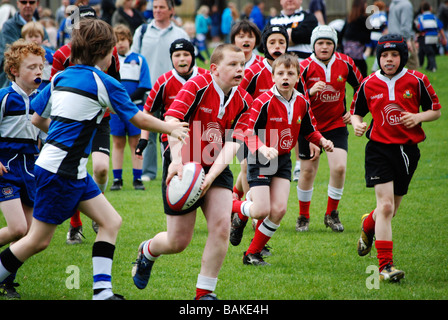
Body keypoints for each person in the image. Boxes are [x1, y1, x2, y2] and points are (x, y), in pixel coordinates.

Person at [0, 19, 189, 300]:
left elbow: (38, 118)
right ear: (105, 52)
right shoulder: (104, 81)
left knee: (110, 221)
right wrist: (171, 127)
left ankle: (102, 292)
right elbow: (137, 117)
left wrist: (64, 136)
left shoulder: (61, 77)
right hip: (60, 171)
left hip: (68, 169)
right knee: (37, 240)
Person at [131, 44, 252, 300]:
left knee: (221, 228)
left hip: (215, 164)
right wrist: (175, 159)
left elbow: (233, 143)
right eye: (233, 64)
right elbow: (172, 123)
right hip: (183, 162)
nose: (240, 69)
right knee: (178, 242)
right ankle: (148, 251)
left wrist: (210, 177)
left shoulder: (244, 100)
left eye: (242, 64)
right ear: (215, 69)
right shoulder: (196, 86)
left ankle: (204, 293)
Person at [350, 34, 441, 282]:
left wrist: (418, 118)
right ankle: (385, 267)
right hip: (378, 149)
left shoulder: (417, 80)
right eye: (384, 55)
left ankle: (369, 224)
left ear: (402, 56)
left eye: (394, 55)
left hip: (409, 151)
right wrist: (357, 125)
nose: (389, 59)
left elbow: (435, 111)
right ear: (378, 57)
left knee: (390, 210)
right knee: (386, 206)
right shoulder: (369, 83)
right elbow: (355, 113)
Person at [236, 53, 334, 266]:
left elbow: (309, 130)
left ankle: (252, 254)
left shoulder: (301, 101)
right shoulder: (263, 101)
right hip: (260, 157)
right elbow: (248, 133)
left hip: (283, 160)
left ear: (298, 77)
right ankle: (237, 210)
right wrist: (263, 148)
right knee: (261, 210)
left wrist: (322, 141)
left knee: (279, 210)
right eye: (280, 73)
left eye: (290, 73)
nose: (285, 77)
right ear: (273, 77)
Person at [50, 6, 121, 244]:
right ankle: (75, 225)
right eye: (83, 26)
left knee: (101, 168)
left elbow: (115, 82)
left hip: (100, 119)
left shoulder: (110, 53)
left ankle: (96, 207)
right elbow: (52, 92)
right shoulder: (62, 55)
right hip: (72, 122)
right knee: (74, 172)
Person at [295, 25, 363, 233]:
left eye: (328, 43)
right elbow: (294, 100)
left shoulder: (346, 63)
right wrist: (310, 92)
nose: (324, 47)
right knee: (307, 172)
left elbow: (362, 87)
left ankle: (331, 214)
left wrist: (353, 112)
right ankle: (303, 217)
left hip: (336, 124)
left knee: (339, 168)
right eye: (320, 43)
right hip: (309, 126)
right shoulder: (303, 67)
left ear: (334, 45)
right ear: (313, 45)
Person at [231, 24, 289, 242]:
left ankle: (238, 205)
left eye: (281, 42)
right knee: (246, 167)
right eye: (272, 42)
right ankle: (250, 218)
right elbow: (237, 98)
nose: (277, 46)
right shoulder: (253, 71)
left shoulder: (290, 71)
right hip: (249, 129)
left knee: (248, 173)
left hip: (274, 136)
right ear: (265, 44)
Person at [0, 39, 44, 299]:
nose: (39, 72)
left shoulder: (42, 98)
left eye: (41, 66)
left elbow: (44, 132)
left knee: (27, 233)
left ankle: (6, 280)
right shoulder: (5, 98)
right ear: (14, 70)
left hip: (31, 167)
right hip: (6, 166)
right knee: (17, 228)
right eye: (32, 67)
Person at [131, 0, 189, 182]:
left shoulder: (181, 33)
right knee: (149, 128)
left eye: (162, 7)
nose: (157, 10)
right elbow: (134, 60)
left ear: (171, 10)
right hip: (149, 89)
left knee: (174, 129)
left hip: (175, 90)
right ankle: (148, 172)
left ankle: (179, 164)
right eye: (154, 7)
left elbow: (188, 59)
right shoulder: (142, 32)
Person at [135, 38, 209, 167]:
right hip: (170, 138)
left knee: (201, 181)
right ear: (171, 58)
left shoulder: (207, 77)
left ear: (193, 56)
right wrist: (143, 139)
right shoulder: (164, 81)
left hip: (202, 138)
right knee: (172, 180)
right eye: (177, 55)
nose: (182, 59)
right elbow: (148, 110)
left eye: (186, 55)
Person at [266, 0, 318, 182]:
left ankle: (297, 161)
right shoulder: (273, 19)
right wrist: (291, 34)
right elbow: (266, 41)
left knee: (296, 114)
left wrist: (289, 34)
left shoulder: (309, 17)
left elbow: (306, 34)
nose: (289, 1)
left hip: (300, 71)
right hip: (279, 71)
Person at [109, 24, 151, 191]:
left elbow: (144, 86)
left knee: (136, 143)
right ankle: (117, 179)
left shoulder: (139, 59)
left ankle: (137, 178)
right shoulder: (110, 60)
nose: (121, 44)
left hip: (135, 108)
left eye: (123, 40)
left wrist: (125, 101)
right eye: (117, 41)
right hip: (115, 111)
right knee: (118, 143)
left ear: (130, 40)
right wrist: (118, 103)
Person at [0, 0, 48, 88]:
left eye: (32, 2)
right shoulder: (9, 26)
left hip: (37, 80)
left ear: (37, 4)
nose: (28, 5)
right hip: (12, 81)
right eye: (24, 2)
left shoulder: (40, 26)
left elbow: (49, 49)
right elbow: (12, 54)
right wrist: (39, 47)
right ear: (17, 3)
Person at [341, 0, 371, 78]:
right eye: (365, 4)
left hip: (347, 46)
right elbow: (369, 31)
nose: (366, 6)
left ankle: (357, 85)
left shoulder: (350, 17)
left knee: (353, 67)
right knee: (362, 67)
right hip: (356, 47)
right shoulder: (363, 18)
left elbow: (343, 31)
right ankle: (361, 86)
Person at [21, 21, 54, 90]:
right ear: (24, 38)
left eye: (36, 36)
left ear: (42, 37)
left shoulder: (49, 54)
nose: (34, 39)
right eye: (30, 36)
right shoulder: (21, 55)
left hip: (45, 87)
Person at [388, 0, 419, 70]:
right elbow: (405, 24)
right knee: (413, 64)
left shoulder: (392, 4)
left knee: (394, 66)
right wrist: (407, 40)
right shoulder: (406, 4)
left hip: (392, 37)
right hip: (403, 38)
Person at [416, 1, 446, 73]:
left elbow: (418, 28)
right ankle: (429, 67)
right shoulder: (434, 17)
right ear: (430, 8)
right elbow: (440, 28)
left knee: (428, 53)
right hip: (435, 37)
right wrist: (444, 38)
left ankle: (432, 67)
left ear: (422, 10)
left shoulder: (420, 17)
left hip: (426, 37)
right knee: (432, 51)